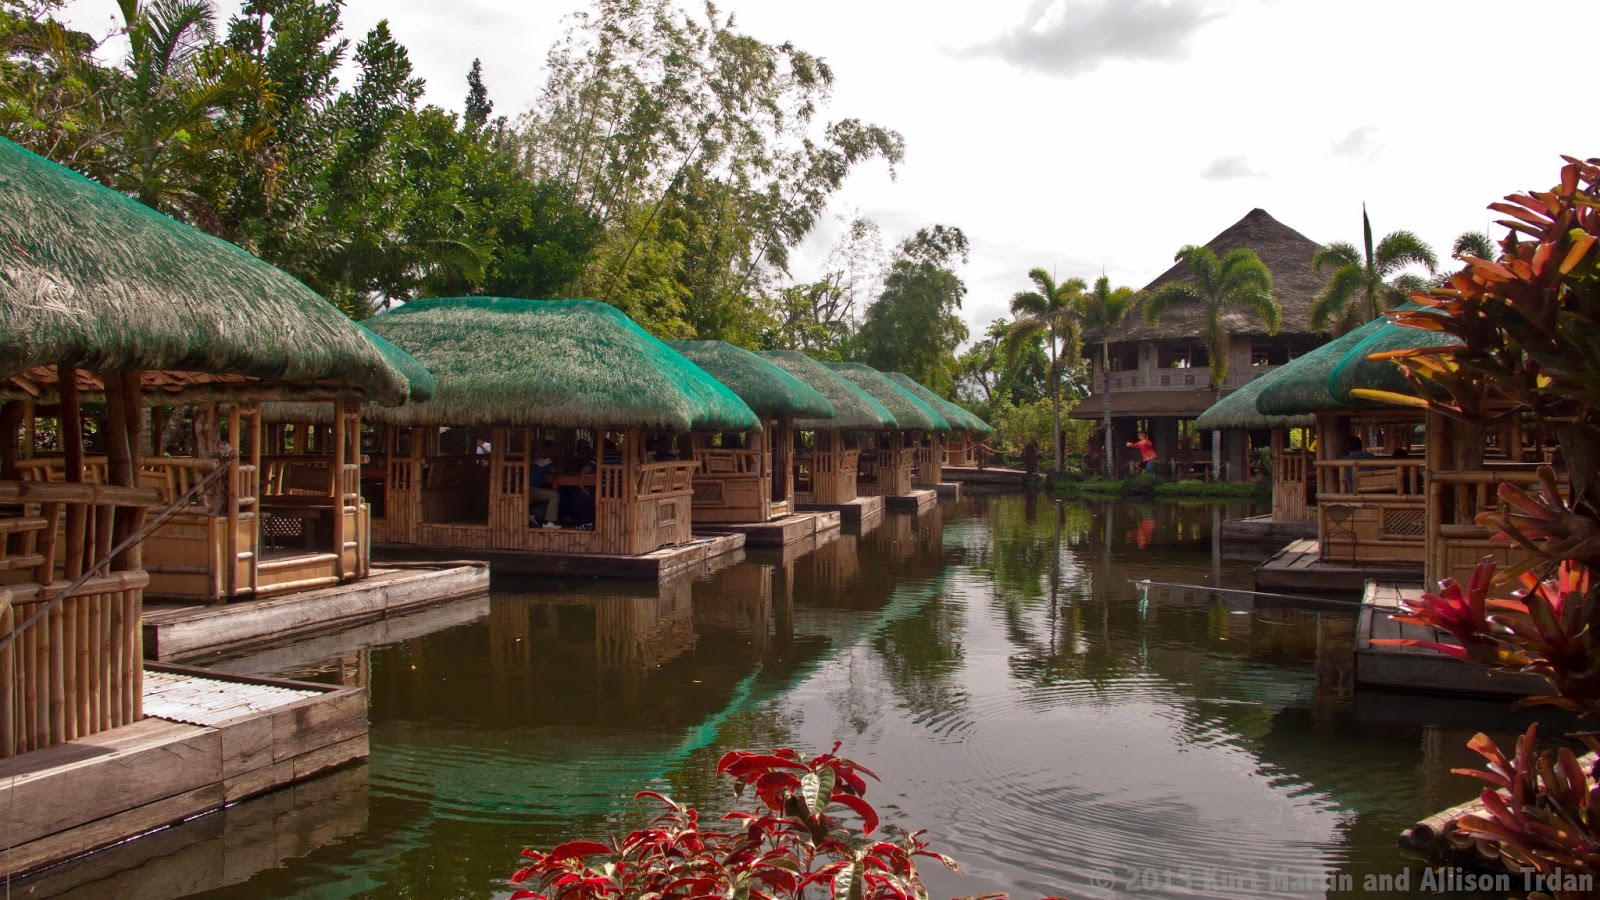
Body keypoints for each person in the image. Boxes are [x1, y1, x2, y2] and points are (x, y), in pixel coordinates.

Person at [528, 439, 561, 528]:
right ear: (549, 449)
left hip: (528, 487)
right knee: (555, 495)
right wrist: (558, 459)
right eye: (553, 449)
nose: (554, 451)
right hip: (530, 489)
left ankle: (533, 514)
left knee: (547, 492)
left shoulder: (537, 457)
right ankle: (548, 522)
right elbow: (556, 471)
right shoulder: (545, 459)